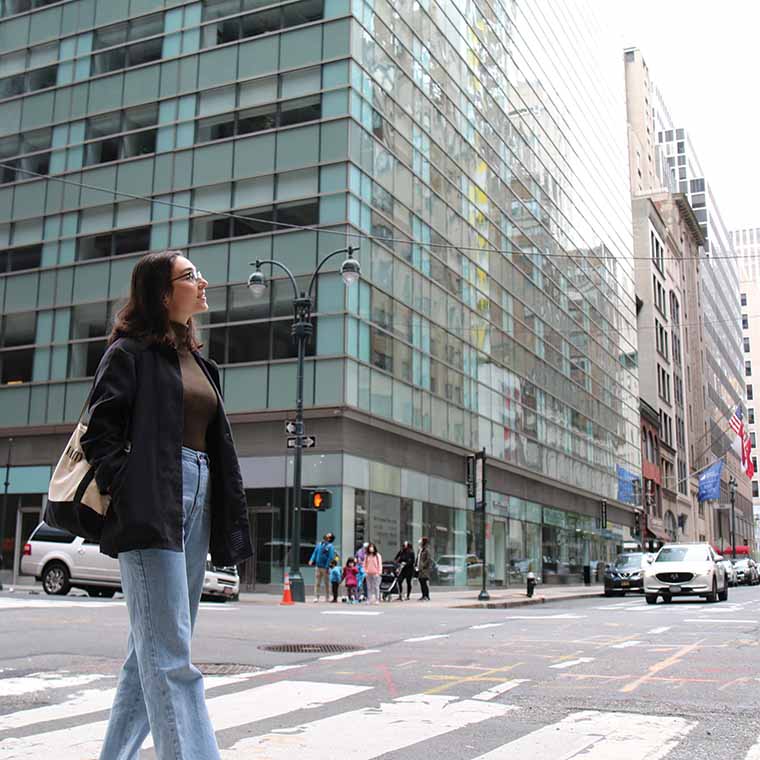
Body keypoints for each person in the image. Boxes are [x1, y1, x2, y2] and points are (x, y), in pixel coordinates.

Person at [79, 250, 253, 760]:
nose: (203, 282)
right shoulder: (129, 353)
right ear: (161, 293)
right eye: (189, 276)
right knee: (171, 655)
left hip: (197, 492)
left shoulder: (202, 363)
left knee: (151, 651)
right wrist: (130, 489)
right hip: (153, 498)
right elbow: (100, 435)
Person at [308, 532, 336, 602]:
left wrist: (327, 567)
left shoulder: (330, 546)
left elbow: (331, 557)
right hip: (318, 566)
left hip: (325, 568)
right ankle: (316, 596)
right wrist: (311, 560)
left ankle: (327, 597)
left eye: (328, 535)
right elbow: (315, 552)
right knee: (317, 583)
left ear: (330, 539)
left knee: (326, 583)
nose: (326, 535)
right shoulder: (319, 544)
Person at [416, 537, 432, 601]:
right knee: (421, 582)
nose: (420, 543)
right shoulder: (420, 550)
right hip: (420, 569)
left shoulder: (427, 550)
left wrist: (423, 565)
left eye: (421, 542)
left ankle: (426, 596)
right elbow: (418, 558)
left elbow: (428, 559)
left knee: (424, 582)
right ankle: (423, 595)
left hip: (424, 569)